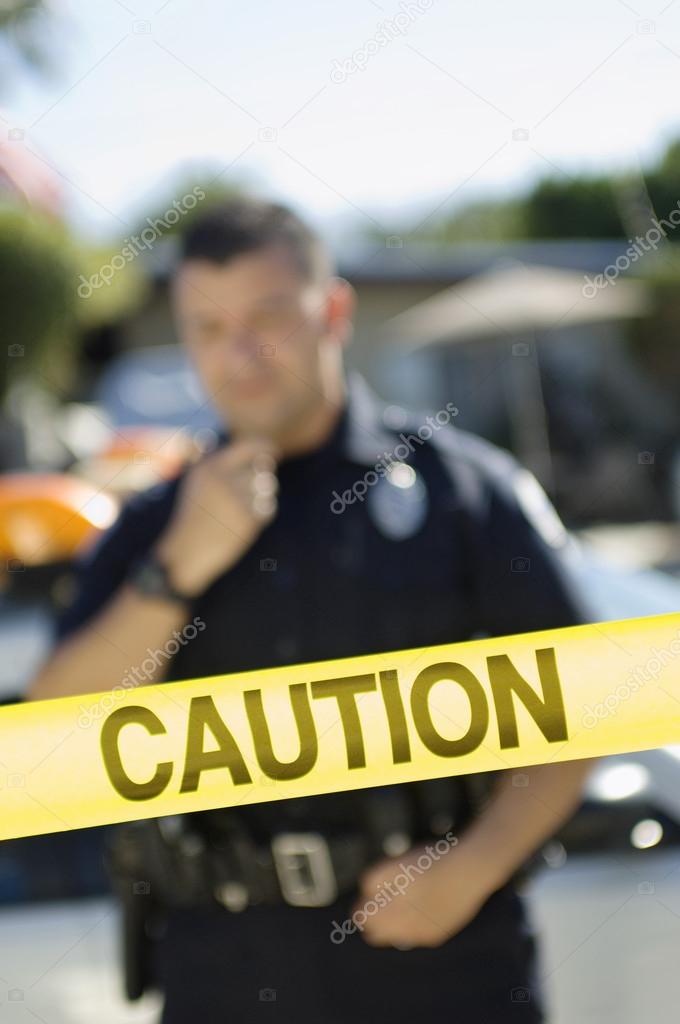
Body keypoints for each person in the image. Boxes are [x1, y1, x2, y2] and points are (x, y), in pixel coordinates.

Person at [27, 198, 596, 1023]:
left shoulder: (461, 490)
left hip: (446, 963)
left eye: (267, 318)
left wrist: (470, 871)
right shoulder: (154, 526)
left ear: (332, 312)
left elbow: (586, 708)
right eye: (208, 328)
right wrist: (180, 567)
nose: (240, 354)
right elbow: (55, 739)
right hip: (223, 972)